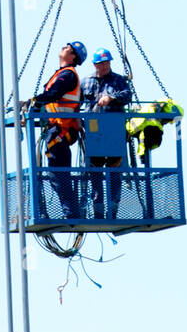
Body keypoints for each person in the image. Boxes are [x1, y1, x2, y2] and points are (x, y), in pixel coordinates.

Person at [26, 40, 87, 220]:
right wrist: (34, 106)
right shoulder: (62, 74)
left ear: (73, 56)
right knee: (57, 176)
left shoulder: (67, 75)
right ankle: (72, 213)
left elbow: (54, 94)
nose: (64, 47)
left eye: (68, 48)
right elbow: (51, 100)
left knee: (58, 176)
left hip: (61, 131)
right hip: (57, 130)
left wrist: (34, 101)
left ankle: (72, 214)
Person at [81, 48, 132, 219]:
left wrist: (111, 98)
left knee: (114, 170)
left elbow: (127, 95)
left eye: (107, 63)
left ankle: (113, 209)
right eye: (102, 63)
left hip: (113, 132)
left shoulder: (118, 80)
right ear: (95, 64)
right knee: (94, 170)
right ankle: (98, 210)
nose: (105, 66)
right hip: (94, 132)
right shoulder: (86, 81)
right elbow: (76, 101)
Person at [126, 99, 184, 164]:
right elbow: (144, 139)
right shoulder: (153, 123)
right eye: (168, 120)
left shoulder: (154, 118)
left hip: (131, 129)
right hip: (130, 128)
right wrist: (142, 154)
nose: (166, 122)